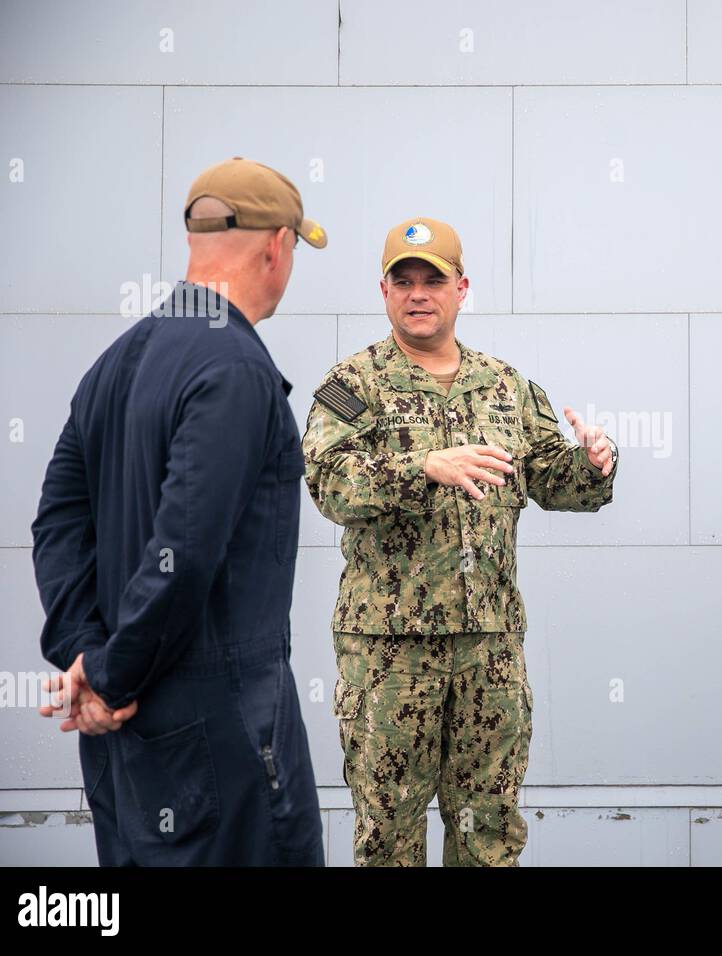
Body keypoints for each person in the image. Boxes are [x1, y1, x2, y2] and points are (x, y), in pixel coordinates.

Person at [32, 157, 328, 865]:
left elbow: (57, 523)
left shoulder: (115, 363)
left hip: (127, 746)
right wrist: (107, 677)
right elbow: (187, 551)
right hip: (223, 738)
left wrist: (88, 654)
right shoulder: (234, 369)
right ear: (277, 246)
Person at [303, 217, 618, 866]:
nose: (419, 293)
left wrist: (594, 463)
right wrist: (420, 469)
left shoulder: (506, 386)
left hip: (488, 647)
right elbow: (327, 482)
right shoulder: (352, 385)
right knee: (388, 836)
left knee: (489, 836)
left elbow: (556, 482)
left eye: (434, 280)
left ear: (461, 289)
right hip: (390, 650)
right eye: (404, 281)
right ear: (384, 291)